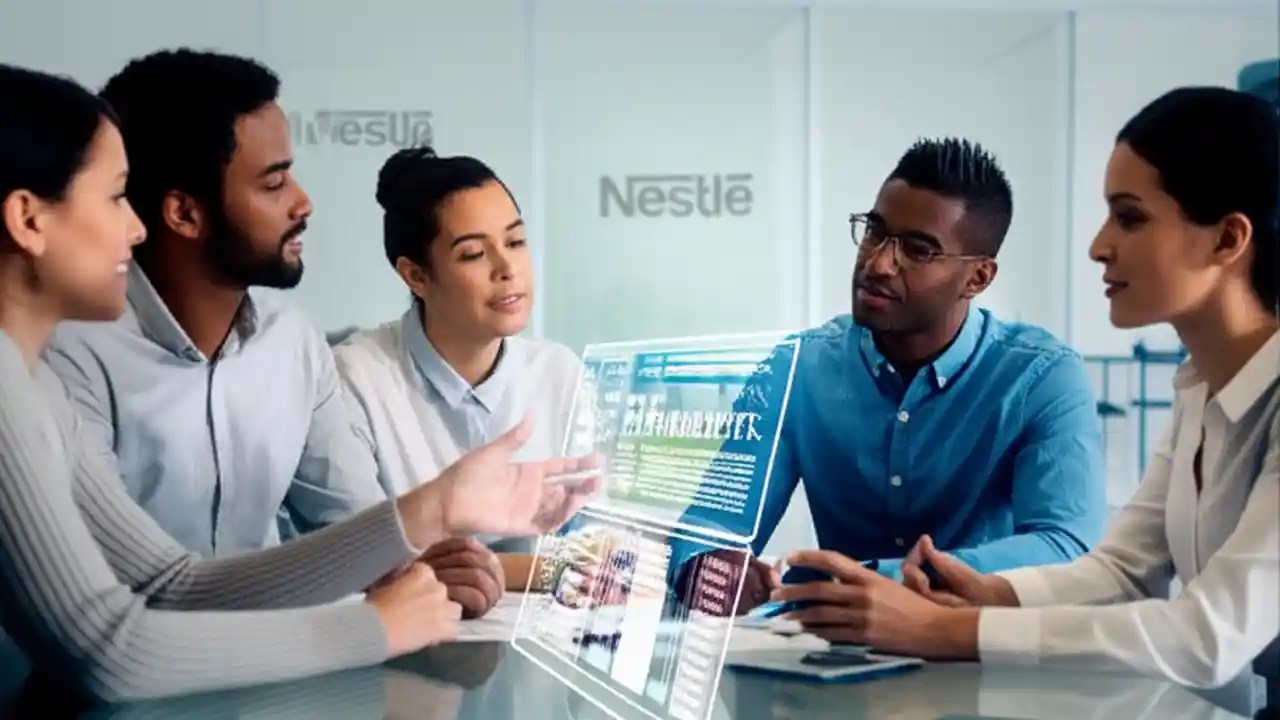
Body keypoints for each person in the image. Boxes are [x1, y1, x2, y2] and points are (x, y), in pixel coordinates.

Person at [0, 62, 599, 701]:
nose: (135, 226)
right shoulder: (37, 376)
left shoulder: (30, 386)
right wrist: (373, 629)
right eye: (117, 196)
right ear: (30, 221)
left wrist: (439, 508)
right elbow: (108, 650)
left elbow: (171, 583)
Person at [771, 87, 1278, 704]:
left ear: (1227, 240)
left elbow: (1209, 635)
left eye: (1130, 217)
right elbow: (1119, 572)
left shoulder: (1047, 373)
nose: (1098, 245)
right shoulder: (1200, 386)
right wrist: (986, 593)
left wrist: (947, 628)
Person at [39, 49, 511, 618]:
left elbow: (356, 530)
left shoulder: (294, 342)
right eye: (273, 183)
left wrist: (426, 566)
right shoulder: (70, 353)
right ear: (184, 214)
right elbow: (125, 600)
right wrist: (415, 527)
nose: (303, 202)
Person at [672, 137, 1107, 612]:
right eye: (874, 232)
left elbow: (1066, 546)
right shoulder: (797, 368)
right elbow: (707, 529)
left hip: (978, 656)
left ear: (978, 278)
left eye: (918, 251)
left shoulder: (1041, 377)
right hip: (821, 658)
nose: (877, 263)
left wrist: (883, 581)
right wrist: (712, 568)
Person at [333, 147, 582, 595]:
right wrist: (546, 571)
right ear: (416, 276)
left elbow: (604, 548)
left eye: (516, 242)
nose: (507, 270)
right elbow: (357, 557)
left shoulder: (559, 374)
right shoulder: (355, 379)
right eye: (472, 254)